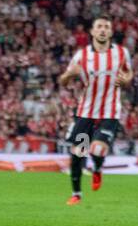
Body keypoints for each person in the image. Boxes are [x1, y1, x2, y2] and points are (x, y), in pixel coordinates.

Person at [57, 16, 133, 204]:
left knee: (97, 149)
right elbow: (63, 81)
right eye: (99, 27)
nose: (102, 30)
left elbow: (128, 72)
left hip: (110, 112)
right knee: (78, 153)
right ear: (92, 31)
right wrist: (69, 75)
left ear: (111, 32)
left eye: (106, 27)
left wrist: (127, 80)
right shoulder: (81, 56)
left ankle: (97, 169)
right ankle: (77, 194)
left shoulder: (121, 53)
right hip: (86, 114)